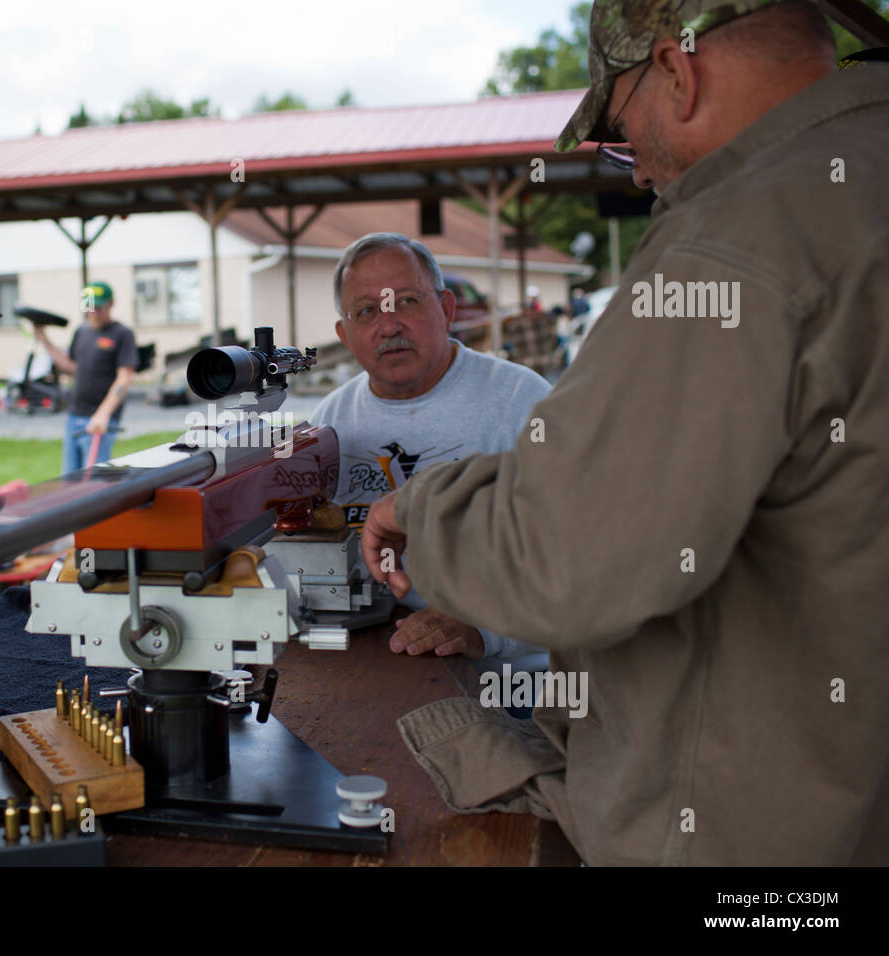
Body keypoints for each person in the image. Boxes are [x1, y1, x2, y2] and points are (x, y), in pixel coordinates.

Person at [361, 0, 889, 864]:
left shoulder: (738, 236)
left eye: (617, 129)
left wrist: (424, 513)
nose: (634, 167)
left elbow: (570, 558)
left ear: (678, 75)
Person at [310, 233, 550, 674]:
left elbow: (588, 565)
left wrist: (486, 631)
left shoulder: (521, 402)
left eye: (406, 301)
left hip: (510, 680)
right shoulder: (330, 423)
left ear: (446, 309)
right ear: (345, 335)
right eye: (367, 311)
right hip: (376, 661)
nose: (389, 325)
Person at [33, 281, 138, 474]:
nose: (93, 312)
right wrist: (42, 337)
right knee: (69, 479)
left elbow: (124, 377)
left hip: (100, 420)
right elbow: (72, 367)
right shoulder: (82, 332)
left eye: (98, 307)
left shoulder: (122, 334)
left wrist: (103, 413)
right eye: (89, 307)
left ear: (111, 304)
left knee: (94, 482)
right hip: (75, 415)